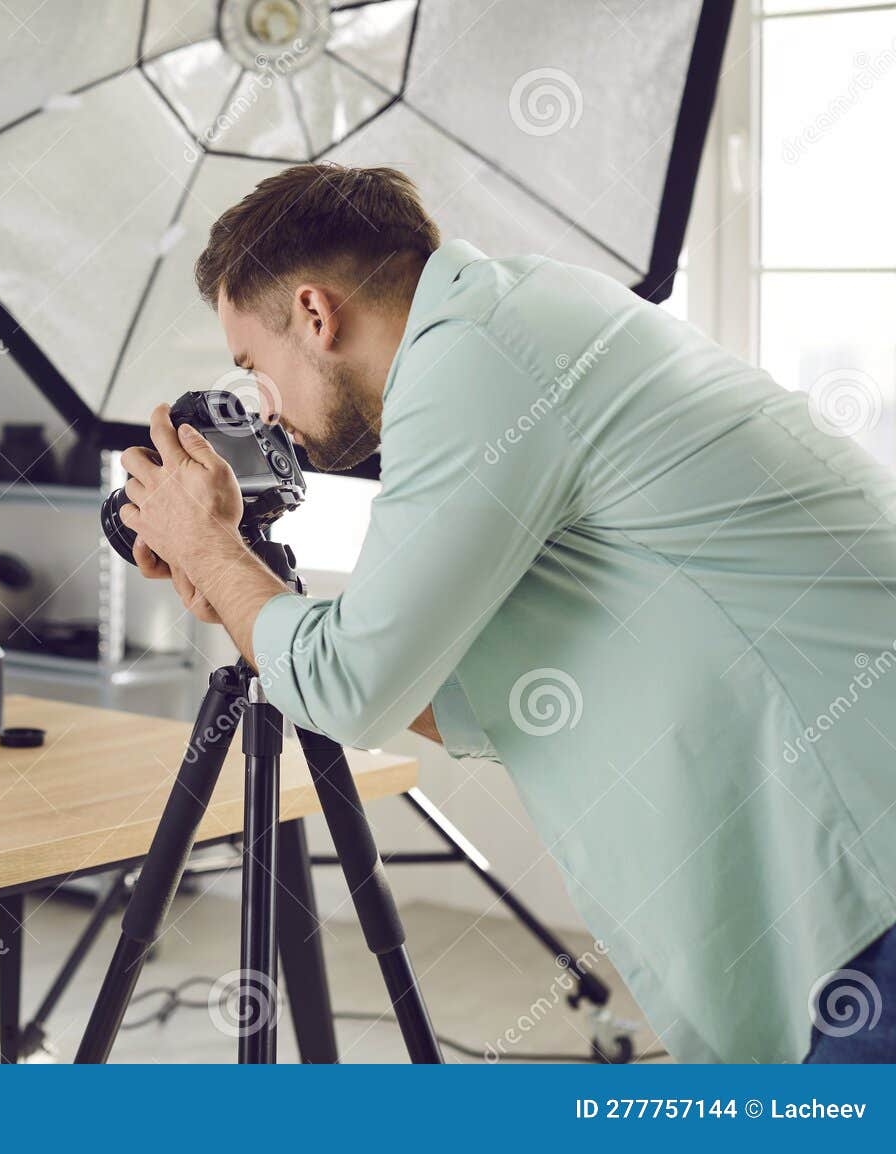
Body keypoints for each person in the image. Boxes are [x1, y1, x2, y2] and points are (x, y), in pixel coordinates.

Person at [117, 163, 896, 1063]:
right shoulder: (509, 317)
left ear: (316, 314)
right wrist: (245, 602)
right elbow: (470, 692)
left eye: (256, 365)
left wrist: (216, 550)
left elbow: (353, 687)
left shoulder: (476, 358)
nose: (268, 412)